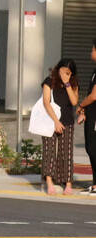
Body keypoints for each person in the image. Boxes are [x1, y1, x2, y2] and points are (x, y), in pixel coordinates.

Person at [40, 57, 81, 195]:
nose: (65, 74)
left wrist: (67, 83)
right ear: (58, 69)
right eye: (63, 71)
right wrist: (56, 121)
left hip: (67, 122)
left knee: (66, 154)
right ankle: (49, 182)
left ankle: (68, 184)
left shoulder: (73, 83)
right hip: (50, 121)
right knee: (49, 152)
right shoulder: (49, 81)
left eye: (68, 73)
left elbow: (74, 101)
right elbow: (46, 102)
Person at [75, 39, 96, 193]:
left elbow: (94, 95)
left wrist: (81, 105)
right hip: (91, 114)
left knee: (93, 148)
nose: (91, 52)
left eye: (93, 49)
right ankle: (95, 183)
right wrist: (84, 111)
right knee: (90, 148)